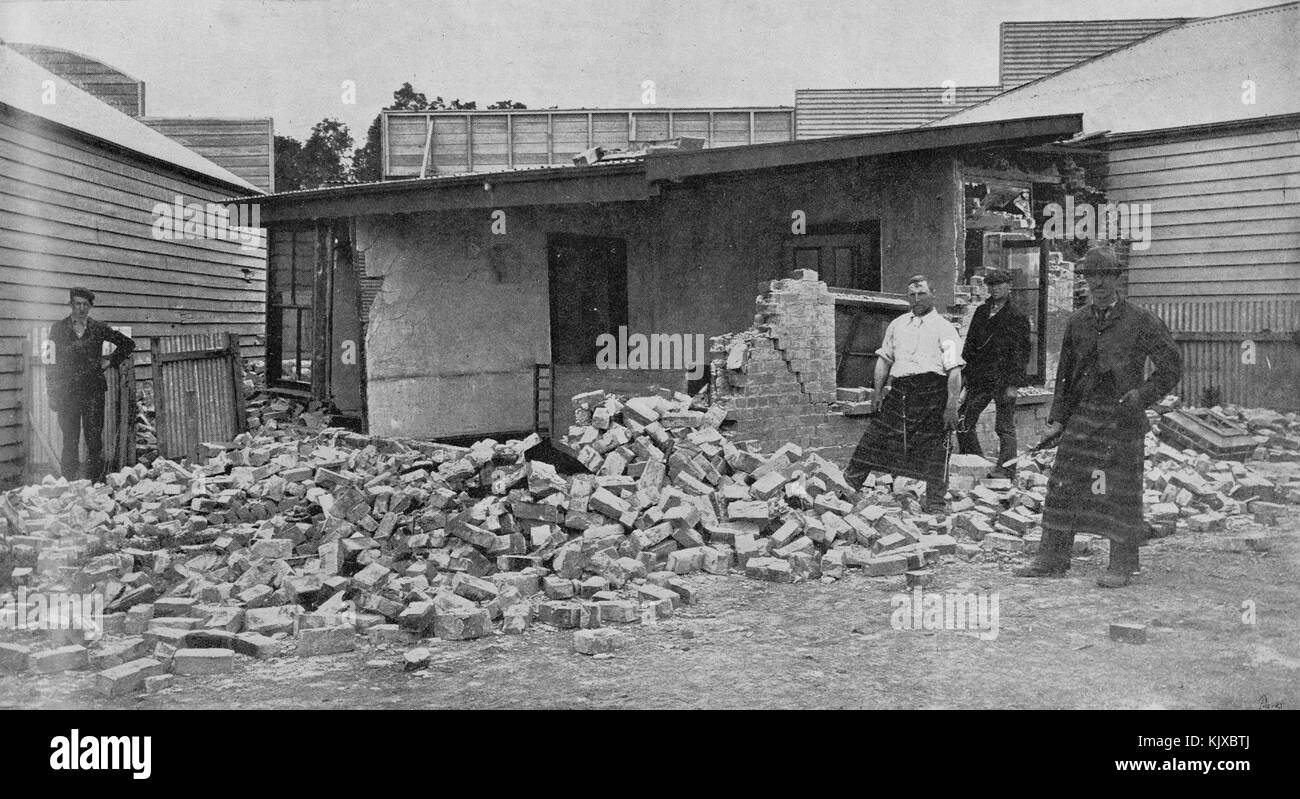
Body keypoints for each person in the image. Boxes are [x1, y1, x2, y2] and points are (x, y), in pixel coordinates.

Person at [1015, 247, 1181, 587]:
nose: (1099, 283)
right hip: (1084, 416)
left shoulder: (1140, 320)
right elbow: (1064, 374)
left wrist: (1143, 395)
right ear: (1086, 280)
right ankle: (1053, 557)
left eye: (1106, 275)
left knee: (1119, 492)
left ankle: (1123, 564)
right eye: (1092, 275)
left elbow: (1171, 365)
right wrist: (1059, 419)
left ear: (1116, 279)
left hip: (1123, 418)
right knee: (1063, 484)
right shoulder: (1077, 322)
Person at [845, 275, 964, 513]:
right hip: (900, 392)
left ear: (933, 293)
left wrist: (951, 407)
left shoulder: (945, 328)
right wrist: (877, 393)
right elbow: (884, 360)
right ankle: (847, 487)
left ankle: (936, 504)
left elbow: (954, 371)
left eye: (922, 294)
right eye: (912, 295)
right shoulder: (897, 325)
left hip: (933, 393)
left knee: (936, 450)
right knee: (874, 439)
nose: (917, 299)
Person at [48, 287, 135, 481]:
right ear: (71, 304)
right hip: (67, 394)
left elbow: (128, 344)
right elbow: (49, 361)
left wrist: (110, 360)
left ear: (90, 306)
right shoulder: (58, 328)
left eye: (85, 304)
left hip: (93, 393)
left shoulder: (98, 327)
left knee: (94, 441)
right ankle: (68, 485)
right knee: (69, 440)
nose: (81, 308)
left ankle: (96, 484)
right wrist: (52, 392)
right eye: (77, 303)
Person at [956, 268, 1030, 476]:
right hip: (979, 377)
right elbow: (970, 344)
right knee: (964, 419)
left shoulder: (1017, 315)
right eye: (992, 285)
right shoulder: (981, 312)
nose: (995, 289)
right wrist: (964, 372)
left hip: (1004, 379)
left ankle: (1006, 470)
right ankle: (974, 461)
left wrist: (1014, 384)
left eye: (999, 285)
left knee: (1004, 427)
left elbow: (1022, 353)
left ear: (1009, 286)